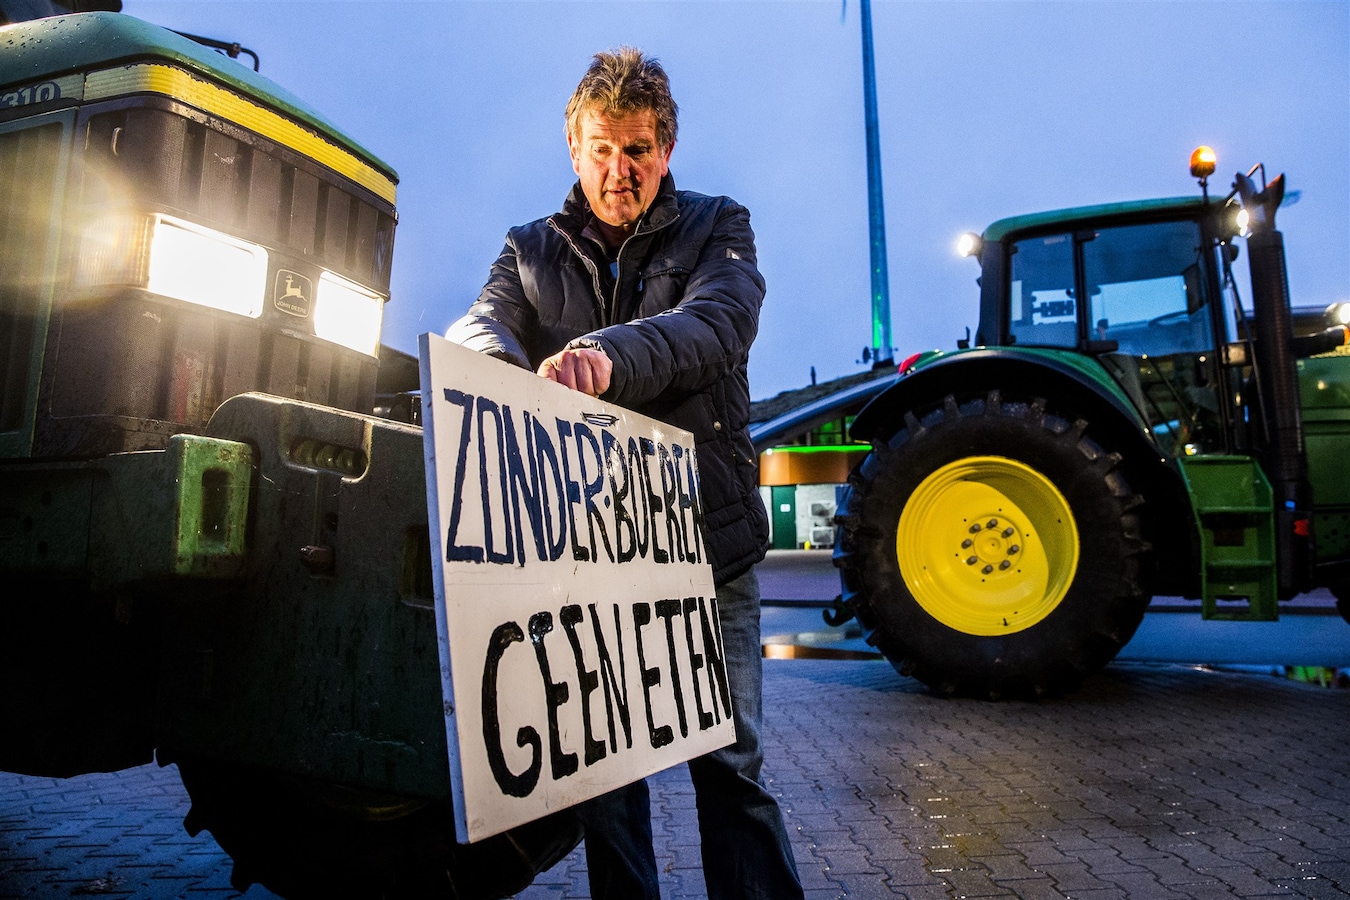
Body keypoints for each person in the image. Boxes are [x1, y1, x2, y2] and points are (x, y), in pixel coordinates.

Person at [446, 46, 803, 900]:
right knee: (606, 784)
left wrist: (602, 358)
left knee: (732, 769)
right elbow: (480, 324)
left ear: (666, 149)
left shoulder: (719, 226)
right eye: (602, 150)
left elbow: (716, 323)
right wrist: (502, 369)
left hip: (707, 549)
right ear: (574, 150)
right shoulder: (527, 249)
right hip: (590, 558)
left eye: (637, 150)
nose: (620, 171)